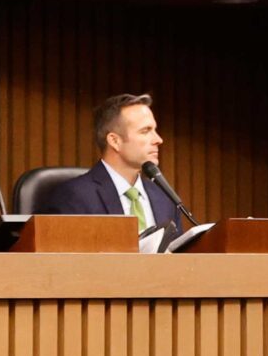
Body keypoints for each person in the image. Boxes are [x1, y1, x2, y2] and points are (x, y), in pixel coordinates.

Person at [38, 93, 191, 244]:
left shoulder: (166, 198)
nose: (158, 139)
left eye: (155, 130)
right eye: (145, 131)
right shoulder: (75, 197)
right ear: (114, 141)